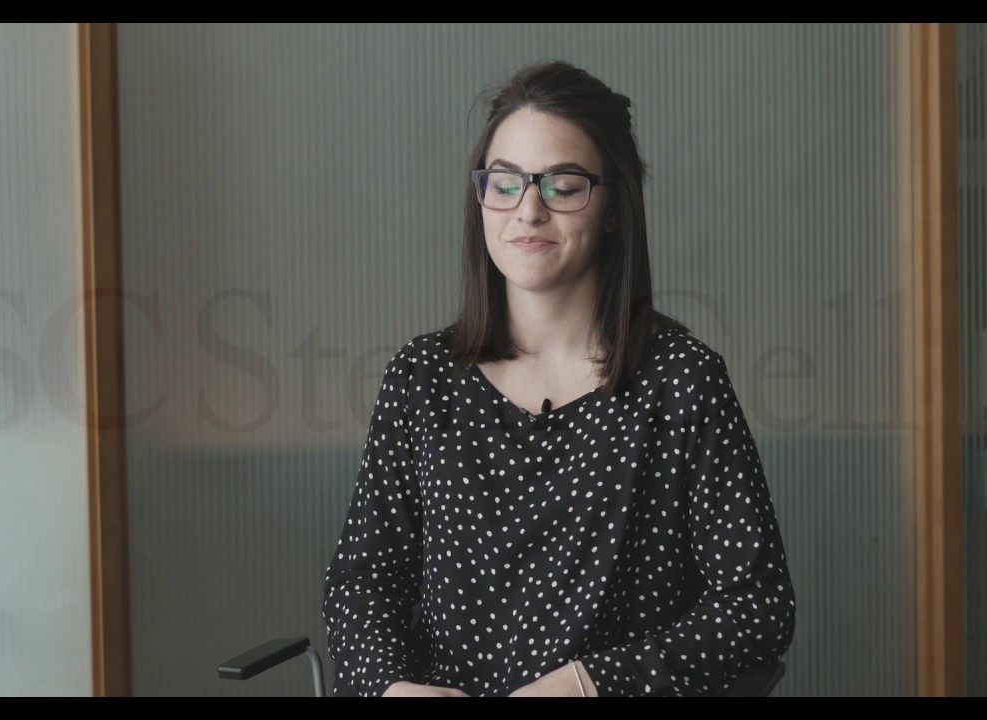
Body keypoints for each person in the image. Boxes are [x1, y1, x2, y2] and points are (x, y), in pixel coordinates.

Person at [321, 61, 796, 697]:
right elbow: (363, 585)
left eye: (563, 185)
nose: (529, 210)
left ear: (613, 209)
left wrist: (588, 684)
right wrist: (392, 687)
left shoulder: (682, 379)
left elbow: (756, 608)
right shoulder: (423, 377)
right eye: (505, 183)